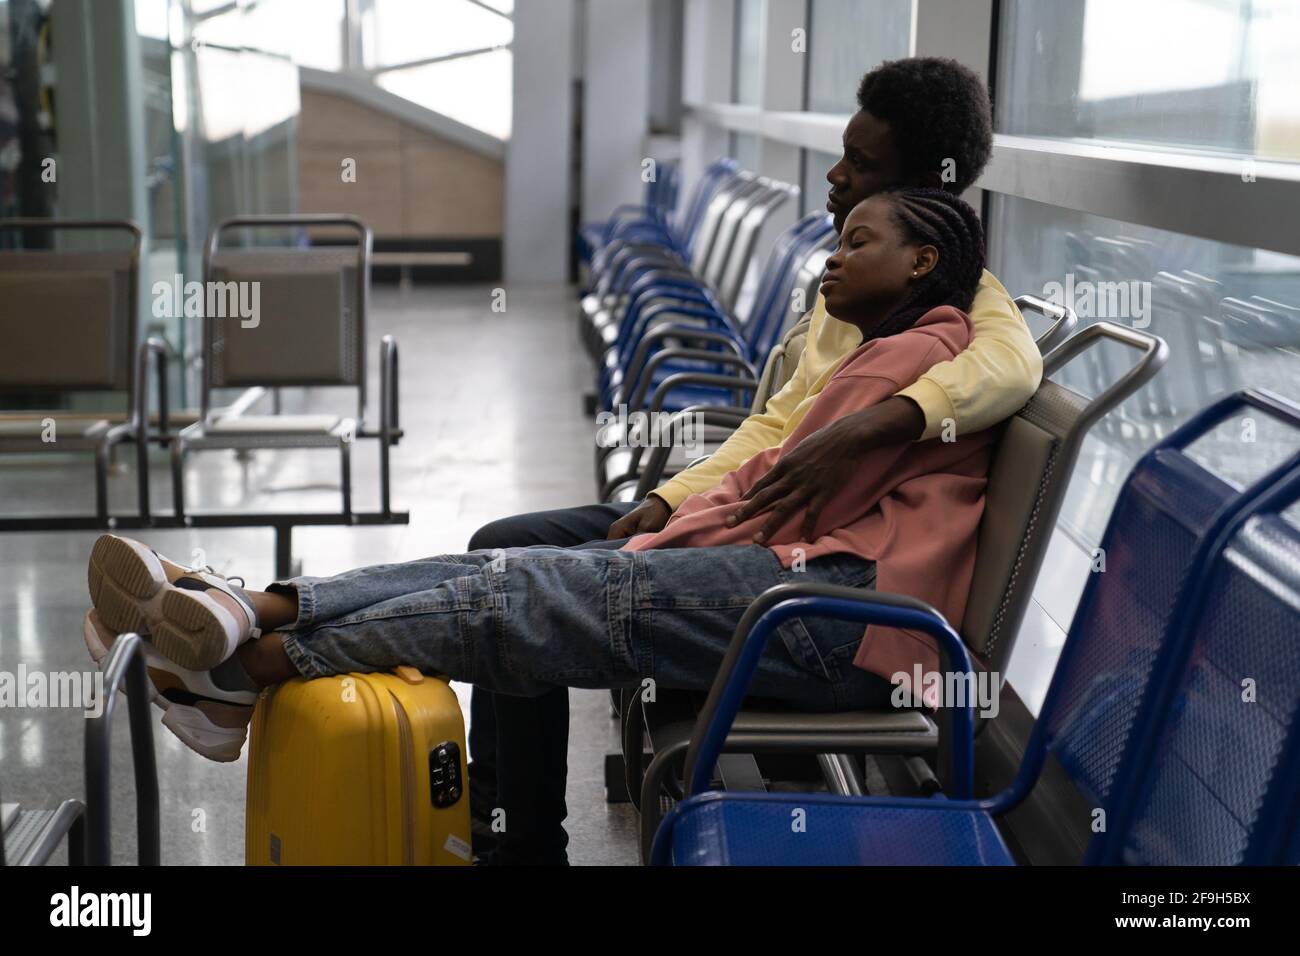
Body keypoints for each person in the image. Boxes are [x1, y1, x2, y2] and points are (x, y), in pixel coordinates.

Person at [84, 185, 999, 865]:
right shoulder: (894, 348)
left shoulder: (917, 354)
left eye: (857, 242)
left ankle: (248, 655)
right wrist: (659, 530)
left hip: (832, 613)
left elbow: (784, 498)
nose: (832, 256)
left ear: (921, 262)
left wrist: (653, 539)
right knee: (517, 571)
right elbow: (774, 482)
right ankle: (249, 623)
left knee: (525, 588)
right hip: (807, 586)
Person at [465, 56, 1042, 859]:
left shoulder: (966, 296)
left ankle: (517, 845)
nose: (836, 176)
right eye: (843, 154)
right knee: (506, 547)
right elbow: (769, 426)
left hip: (790, 556)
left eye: (864, 164)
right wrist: (670, 499)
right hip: (737, 506)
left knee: (515, 582)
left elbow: (1017, 366)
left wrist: (877, 424)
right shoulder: (851, 289)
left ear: (924, 193)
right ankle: (514, 835)